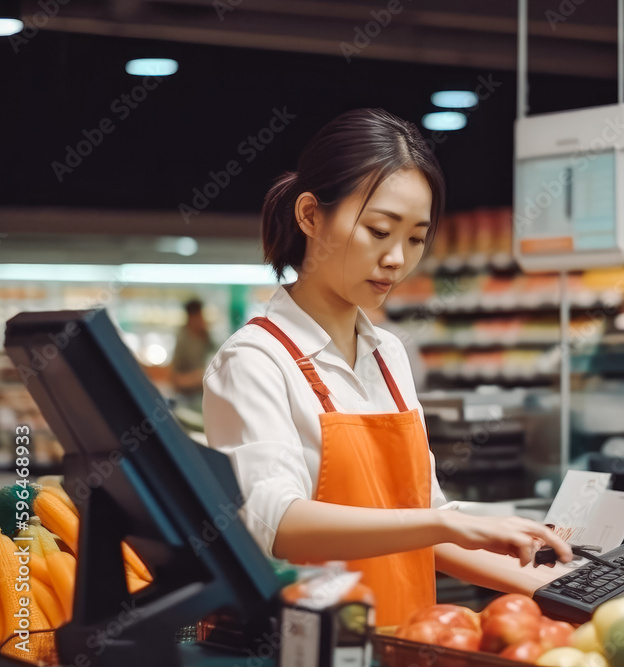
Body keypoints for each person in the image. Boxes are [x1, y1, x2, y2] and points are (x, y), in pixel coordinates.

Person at [202, 108, 571, 627]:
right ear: (310, 216)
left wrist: (557, 587)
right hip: (318, 648)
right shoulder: (254, 361)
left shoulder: (389, 354)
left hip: (407, 640)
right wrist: (444, 526)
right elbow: (275, 521)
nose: (397, 258)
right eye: (379, 231)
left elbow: (428, 518)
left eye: (417, 238)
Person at [170, 298, 215, 411]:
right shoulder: (183, 340)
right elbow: (175, 380)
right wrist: (197, 377)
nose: (202, 319)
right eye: (199, 316)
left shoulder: (205, 336)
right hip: (189, 399)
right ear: (191, 317)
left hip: (205, 394)